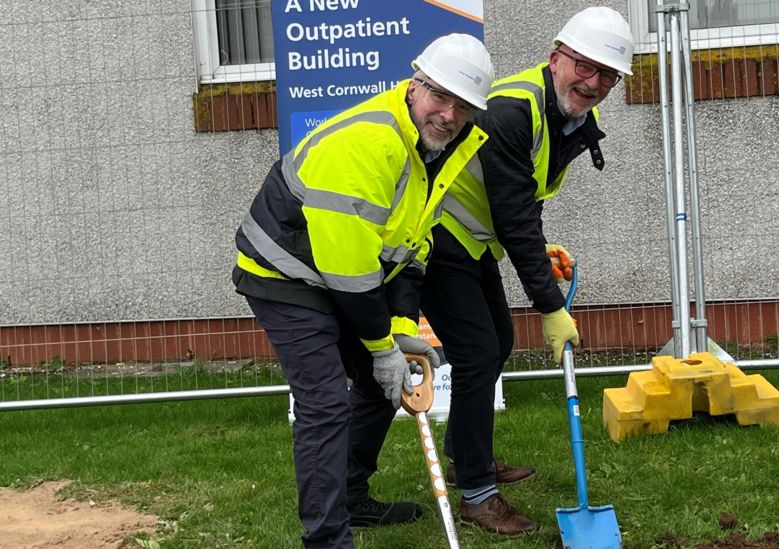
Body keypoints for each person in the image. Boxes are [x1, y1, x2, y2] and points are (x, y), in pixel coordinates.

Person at [232, 34, 493, 548]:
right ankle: (328, 538)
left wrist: (399, 330)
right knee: (325, 402)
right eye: (440, 96)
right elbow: (347, 267)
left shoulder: (444, 148)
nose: (448, 113)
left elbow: (413, 249)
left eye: (463, 105)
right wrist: (380, 347)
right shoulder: (370, 143)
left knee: (379, 384)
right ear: (415, 84)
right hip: (284, 274)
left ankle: (352, 498)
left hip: (342, 276)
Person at [419, 7, 635, 535]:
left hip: (471, 241)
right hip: (436, 236)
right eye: (584, 66)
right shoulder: (513, 110)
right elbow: (514, 216)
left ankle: (467, 455)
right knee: (476, 352)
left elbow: (524, 199)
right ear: (556, 58)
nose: (594, 82)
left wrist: (543, 249)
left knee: (497, 340)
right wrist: (551, 306)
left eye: (608, 74)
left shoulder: (572, 119)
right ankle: (475, 493)